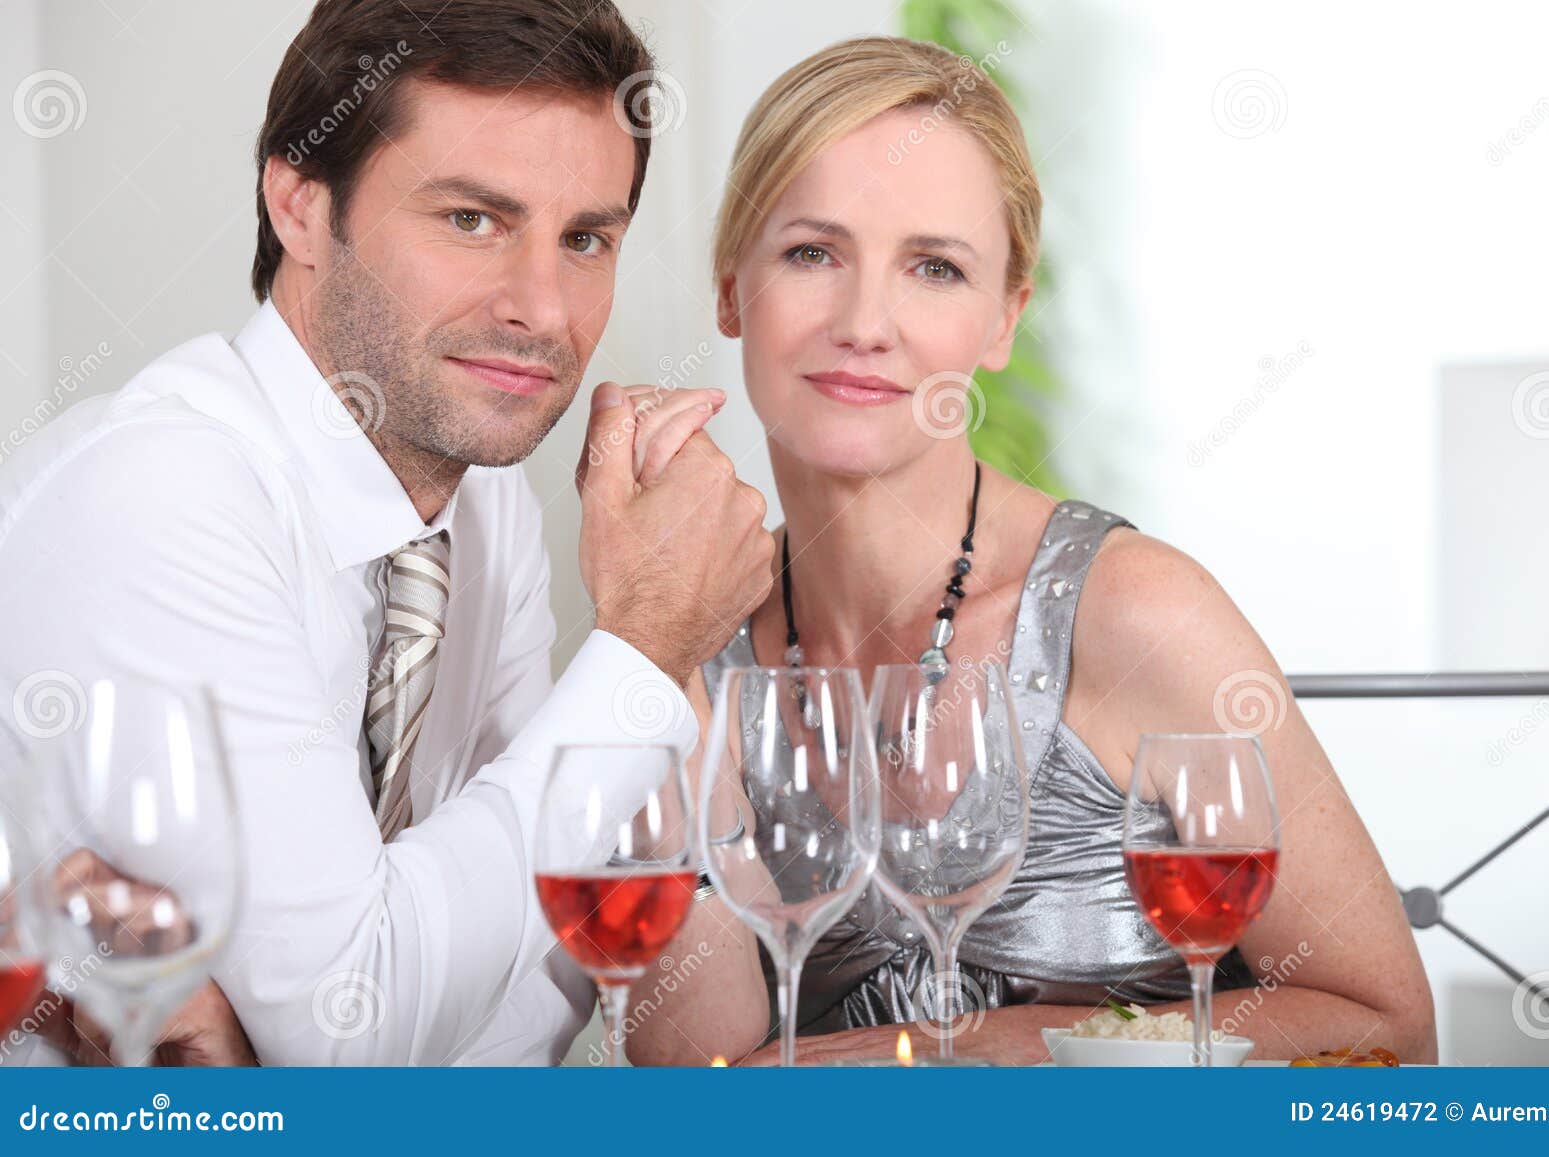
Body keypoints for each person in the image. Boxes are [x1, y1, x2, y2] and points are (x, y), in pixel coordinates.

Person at [626, 36, 1437, 1066]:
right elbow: (701, 1086)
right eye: (812, 252)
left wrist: (957, 1049)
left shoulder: (1138, 615)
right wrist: (654, 659)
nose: (864, 320)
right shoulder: (691, 644)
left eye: (934, 267)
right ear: (731, 288)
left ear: (1003, 317)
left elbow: (1391, 1030)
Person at [0, 0, 772, 1065]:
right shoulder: (164, 491)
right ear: (300, 206)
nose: (542, 310)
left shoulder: (478, 495)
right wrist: (643, 642)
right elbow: (352, 1031)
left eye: (585, 238)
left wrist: (328, 1019)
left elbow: (533, 985)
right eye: (471, 220)